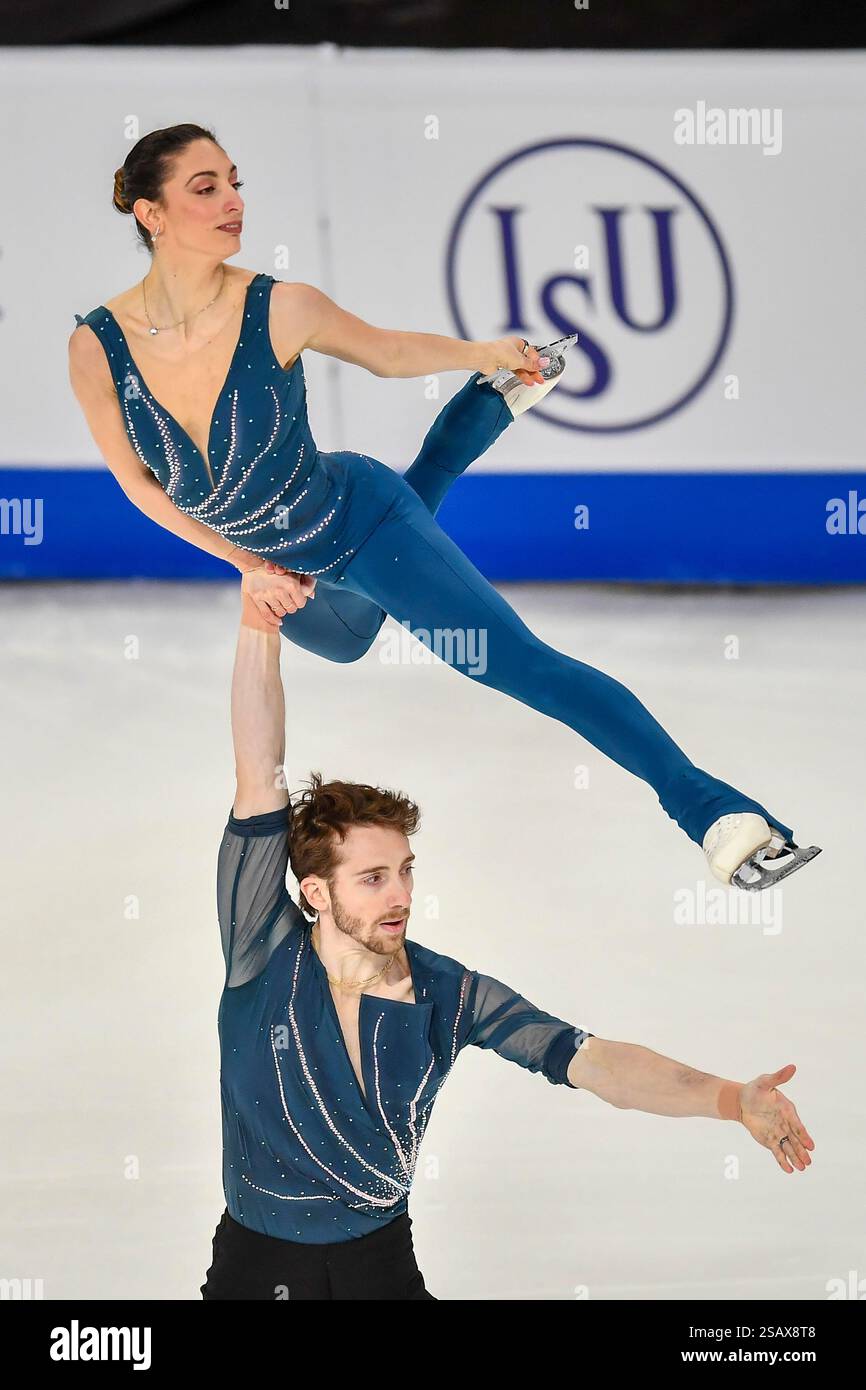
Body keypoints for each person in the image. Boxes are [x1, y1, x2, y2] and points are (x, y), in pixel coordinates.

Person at [68, 121, 820, 892]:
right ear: (150, 214)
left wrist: (487, 351)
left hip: (362, 525)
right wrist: (248, 566)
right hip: (281, 569)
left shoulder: (279, 307)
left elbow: (388, 352)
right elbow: (139, 485)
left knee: (520, 667)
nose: (232, 201)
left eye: (235, 182)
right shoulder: (96, 347)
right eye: (205, 188)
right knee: (350, 641)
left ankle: (714, 812)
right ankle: (473, 424)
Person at [199, 573, 815, 1300]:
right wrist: (259, 621)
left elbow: (594, 1062)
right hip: (254, 1273)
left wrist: (730, 1098)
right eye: (372, 879)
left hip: (380, 1272)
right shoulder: (261, 949)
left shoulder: (447, 994)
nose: (400, 895)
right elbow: (257, 775)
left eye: (404, 870)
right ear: (314, 891)